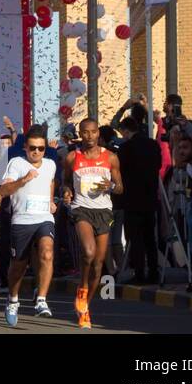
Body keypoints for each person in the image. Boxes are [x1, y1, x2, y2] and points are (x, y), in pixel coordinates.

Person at [63, 117, 123, 329]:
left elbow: (120, 188)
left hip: (103, 211)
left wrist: (111, 185)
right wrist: (68, 191)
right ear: (81, 134)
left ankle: (85, 308)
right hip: (82, 209)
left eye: (93, 132)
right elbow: (66, 182)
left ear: (98, 133)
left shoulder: (111, 158)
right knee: (88, 252)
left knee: (98, 265)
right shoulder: (72, 157)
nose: (89, 136)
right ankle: (81, 288)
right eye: (85, 132)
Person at [0, 126, 58, 327]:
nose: (37, 152)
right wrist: (24, 180)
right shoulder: (16, 163)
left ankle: (41, 300)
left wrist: (50, 201)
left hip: (44, 217)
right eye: (33, 148)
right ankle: (13, 299)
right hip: (22, 220)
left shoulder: (50, 164)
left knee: (47, 253)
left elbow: (51, 182)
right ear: (25, 147)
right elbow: (4, 190)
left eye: (41, 148)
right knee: (18, 266)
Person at [117, 111, 163, 285]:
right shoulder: (152, 145)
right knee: (150, 237)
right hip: (150, 197)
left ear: (126, 131)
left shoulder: (126, 148)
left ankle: (139, 272)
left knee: (135, 238)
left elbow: (120, 171)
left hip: (132, 199)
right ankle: (153, 271)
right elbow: (158, 165)